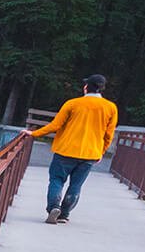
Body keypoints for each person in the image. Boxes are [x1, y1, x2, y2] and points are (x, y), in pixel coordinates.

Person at [24, 74, 118, 224]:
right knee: (76, 185)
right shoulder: (111, 108)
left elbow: (55, 125)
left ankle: (54, 206)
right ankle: (64, 214)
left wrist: (34, 133)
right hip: (90, 154)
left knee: (56, 179)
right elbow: (109, 135)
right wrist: (101, 151)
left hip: (65, 151)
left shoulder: (73, 104)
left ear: (86, 87)